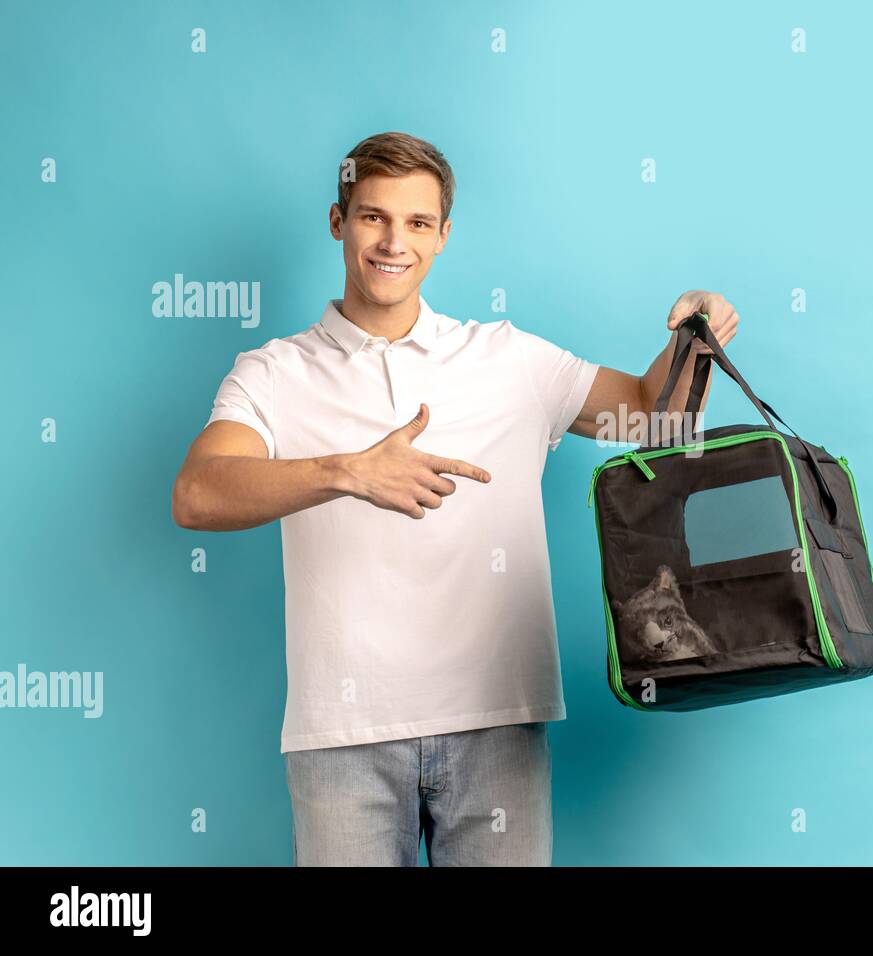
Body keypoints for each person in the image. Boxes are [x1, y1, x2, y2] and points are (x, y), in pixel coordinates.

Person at [170, 131, 741, 866]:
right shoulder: (275, 372)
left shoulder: (507, 359)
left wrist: (695, 337)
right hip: (343, 736)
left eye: (415, 223)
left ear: (443, 236)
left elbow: (655, 417)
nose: (392, 241)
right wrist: (347, 471)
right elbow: (197, 493)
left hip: (497, 722)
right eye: (373, 216)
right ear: (338, 221)